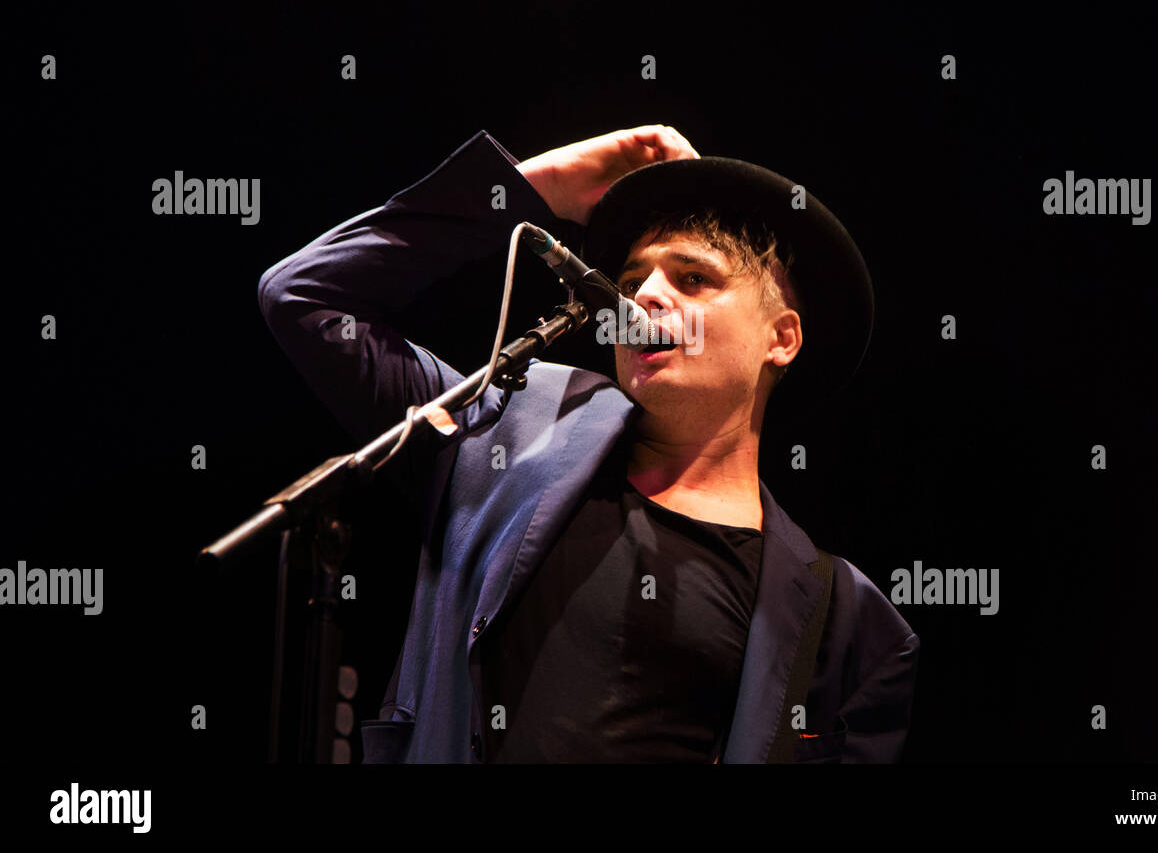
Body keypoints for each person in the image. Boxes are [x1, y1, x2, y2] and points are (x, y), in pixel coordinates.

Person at [257, 124, 918, 763]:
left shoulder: (848, 626)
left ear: (782, 338)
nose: (643, 297)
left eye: (693, 278)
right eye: (629, 283)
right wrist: (532, 188)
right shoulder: (506, 429)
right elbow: (304, 296)